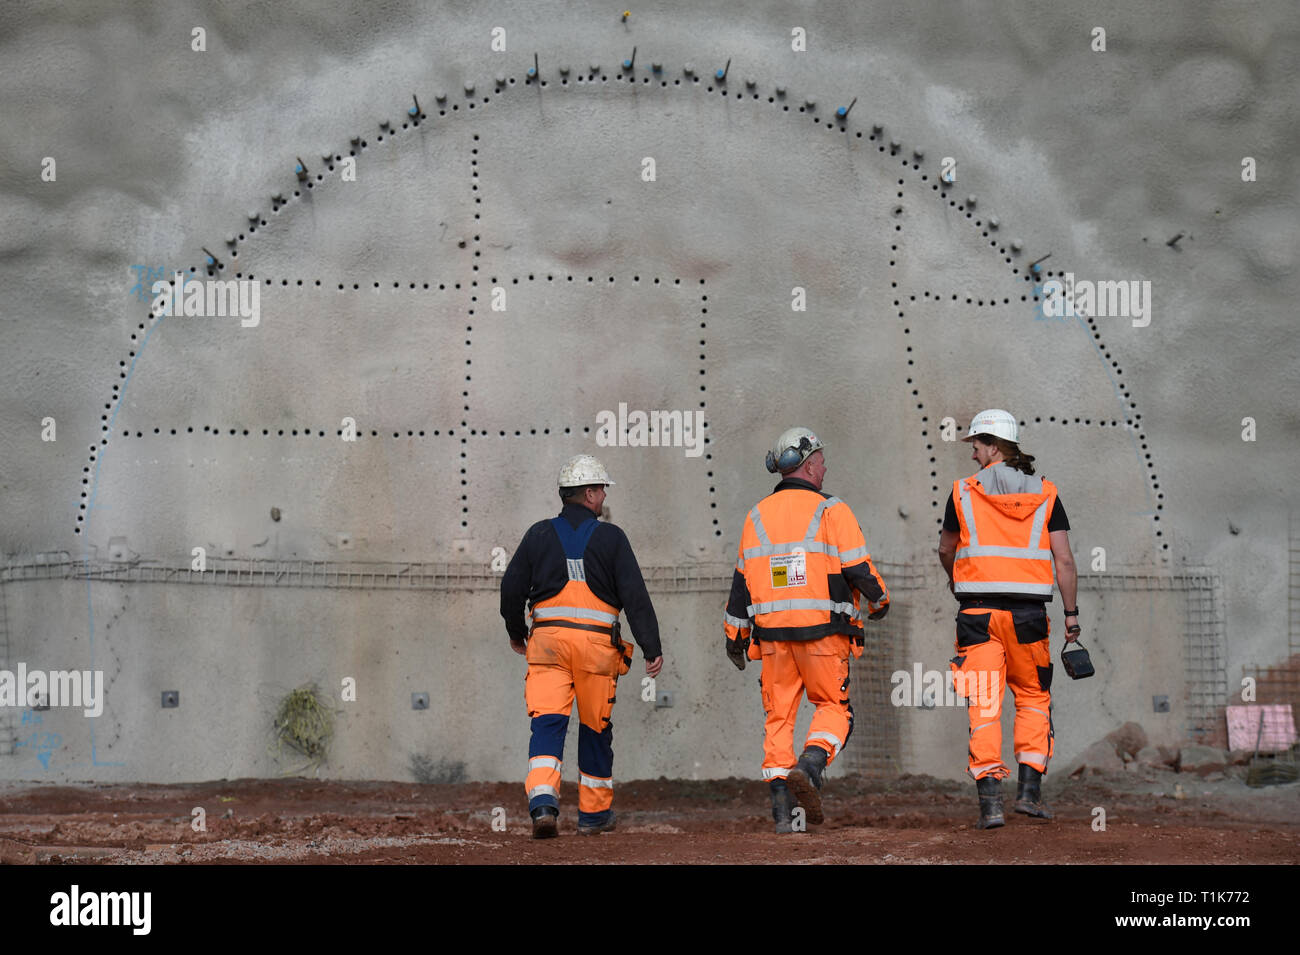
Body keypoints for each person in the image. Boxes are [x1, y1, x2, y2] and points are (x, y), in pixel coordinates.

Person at [724, 427, 890, 833]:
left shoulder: (755, 515)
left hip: (774, 638)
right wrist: (880, 601)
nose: (826, 467)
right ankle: (812, 764)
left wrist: (734, 637)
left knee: (778, 718)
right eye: (822, 460)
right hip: (823, 635)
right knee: (835, 708)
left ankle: (784, 815)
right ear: (810, 465)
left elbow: (741, 583)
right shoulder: (832, 510)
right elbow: (858, 569)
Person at [500, 454, 664, 839]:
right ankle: (593, 816)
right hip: (595, 651)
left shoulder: (538, 534)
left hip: (547, 647)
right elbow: (634, 595)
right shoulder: (612, 537)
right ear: (589, 494)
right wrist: (651, 646)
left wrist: (515, 631)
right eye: (601, 488)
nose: (605, 495)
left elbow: (511, 588)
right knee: (594, 728)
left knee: (547, 723)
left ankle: (543, 803)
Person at [936, 409, 1081, 829]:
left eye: (977, 445)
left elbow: (946, 550)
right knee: (1034, 699)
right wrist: (1071, 617)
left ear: (994, 446)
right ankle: (1030, 796)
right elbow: (1065, 561)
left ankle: (990, 805)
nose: (973, 454)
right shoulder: (1047, 493)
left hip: (977, 616)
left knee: (983, 705)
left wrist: (956, 579)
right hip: (1029, 617)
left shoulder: (962, 492)